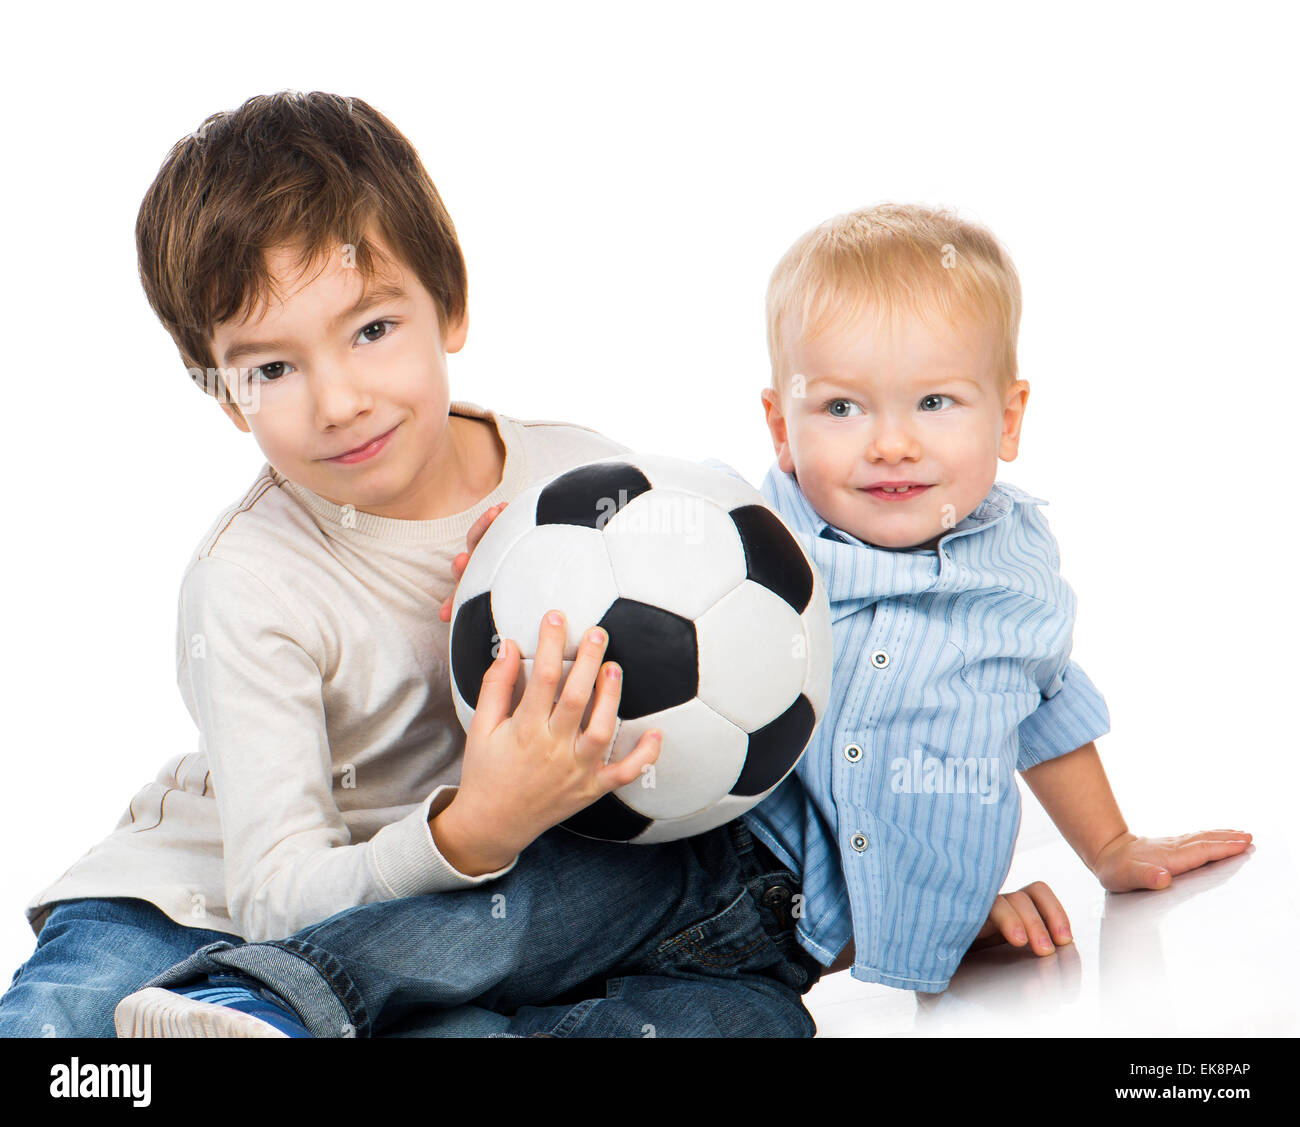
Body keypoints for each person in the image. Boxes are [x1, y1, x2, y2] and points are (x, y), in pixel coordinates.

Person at [0, 90, 818, 1039]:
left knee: (724, 1015)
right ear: (227, 399)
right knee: (61, 1032)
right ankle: (240, 1007)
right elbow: (275, 897)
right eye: (271, 368)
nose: (339, 400)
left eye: (372, 329)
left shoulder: (582, 494)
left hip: (453, 914)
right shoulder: (249, 580)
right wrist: (466, 827)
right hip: (207, 894)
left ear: (451, 305)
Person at [742, 202, 1252, 990]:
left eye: (935, 402)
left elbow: (1041, 699)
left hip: (788, 951)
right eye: (842, 407)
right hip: (691, 873)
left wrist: (1110, 848)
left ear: (1009, 418)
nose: (891, 443)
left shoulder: (1010, 570)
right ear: (782, 425)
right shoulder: (745, 546)